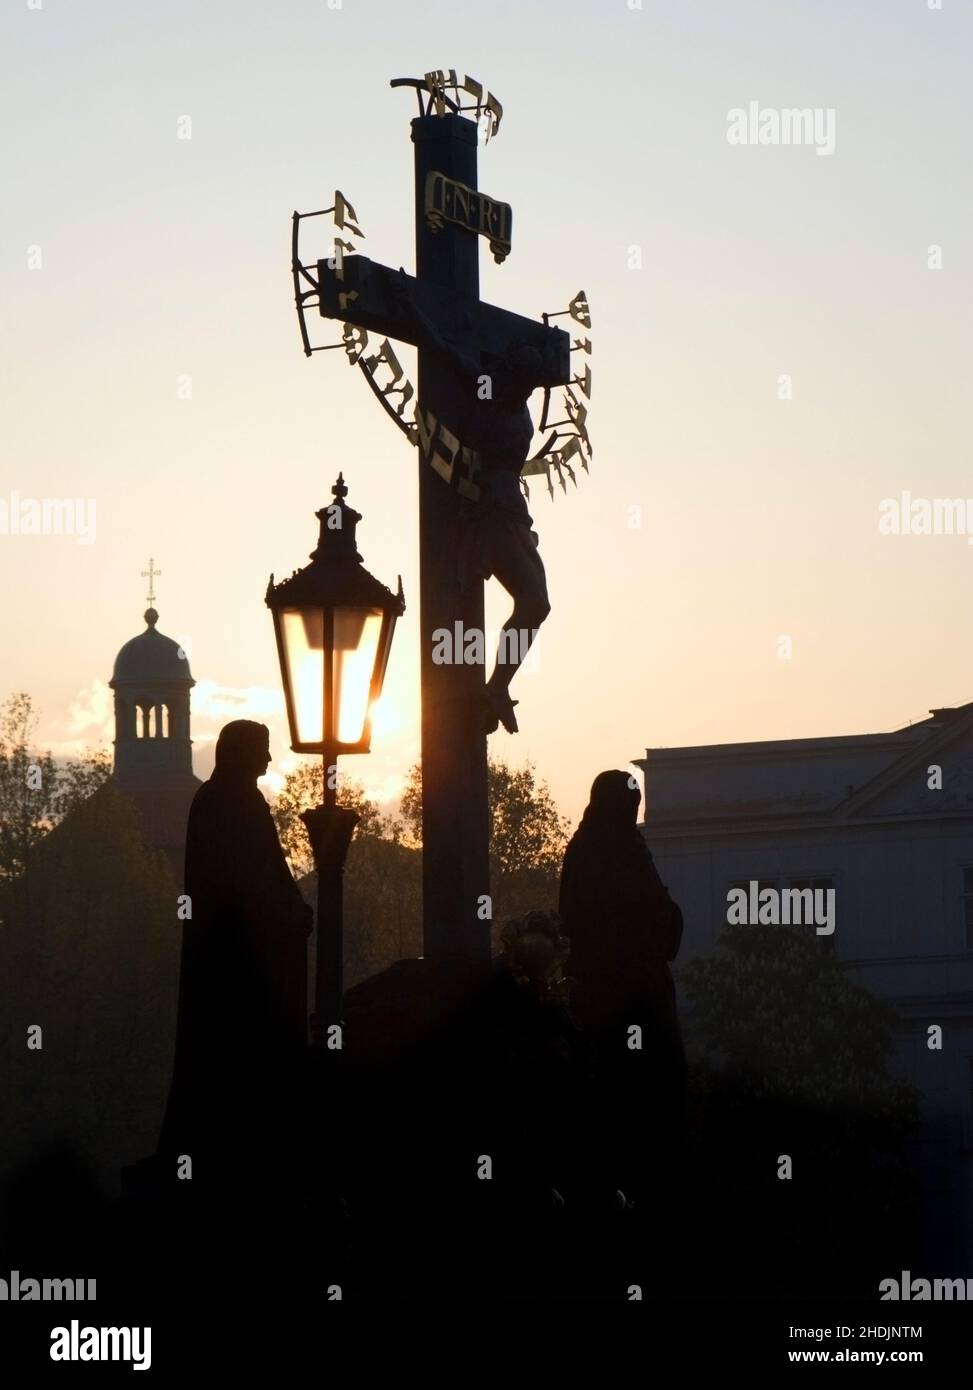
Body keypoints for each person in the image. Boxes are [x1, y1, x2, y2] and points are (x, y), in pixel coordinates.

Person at [388, 268, 552, 735]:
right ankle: (494, 685)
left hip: (511, 513)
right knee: (534, 602)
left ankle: (496, 684)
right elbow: (441, 347)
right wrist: (409, 306)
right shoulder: (490, 390)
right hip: (486, 513)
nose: (534, 388)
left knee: (538, 605)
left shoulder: (518, 405)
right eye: (531, 378)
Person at [158, 720, 313, 1192]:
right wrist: (291, 911)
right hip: (238, 962)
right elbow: (258, 875)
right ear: (242, 753)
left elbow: (265, 871)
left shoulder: (219, 800)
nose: (268, 761)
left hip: (230, 956)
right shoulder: (233, 803)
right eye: (262, 751)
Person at [558, 770, 686, 1208]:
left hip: (629, 993)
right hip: (615, 998)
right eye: (629, 804)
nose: (634, 812)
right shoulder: (603, 851)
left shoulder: (617, 847)